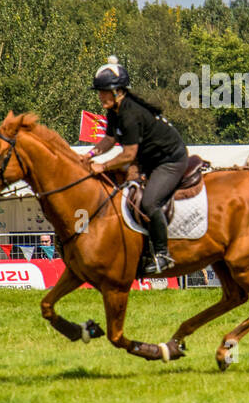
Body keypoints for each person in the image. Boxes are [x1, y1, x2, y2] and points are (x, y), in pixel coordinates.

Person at [80, 55, 189, 276]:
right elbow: (110, 139)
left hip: (169, 161)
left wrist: (102, 166)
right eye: (100, 92)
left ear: (118, 91)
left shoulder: (130, 114)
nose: (100, 96)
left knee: (149, 203)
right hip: (149, 160)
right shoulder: (115, 111)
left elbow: (129, 155)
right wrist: (90, 154)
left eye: (104, 91)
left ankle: (162, 254)